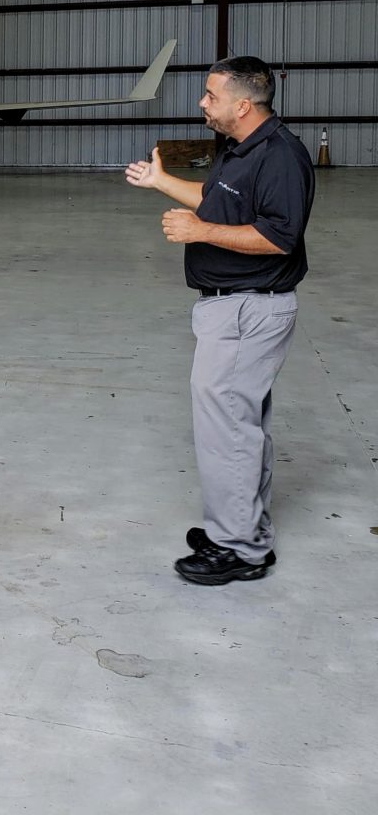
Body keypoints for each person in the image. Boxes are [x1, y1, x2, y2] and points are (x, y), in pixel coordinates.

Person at [125, 55, 315, 586]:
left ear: (243, 103)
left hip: (248, 308)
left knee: (228, 429)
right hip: (230, 306)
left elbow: (279, 238)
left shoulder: (279, 157)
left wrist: (199, 233)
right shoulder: (242, 149)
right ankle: (243, 530)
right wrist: (164, 183)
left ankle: (240, 549)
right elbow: (216, 201)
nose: (202, 104)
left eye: (210, 96)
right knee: (239, 425)